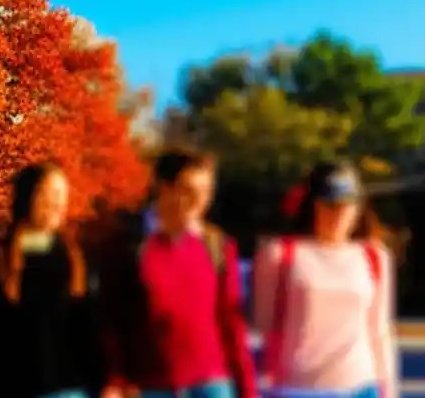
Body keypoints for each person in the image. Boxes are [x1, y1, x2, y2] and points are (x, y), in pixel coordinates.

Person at [99, 150, 256, 398]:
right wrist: (116, 379)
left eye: (206, 191)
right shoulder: (130, 246)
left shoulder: (218, 246)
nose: (199, 201)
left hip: (213, 384)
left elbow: (231, 322)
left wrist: (248, 390)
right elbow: (112, 321)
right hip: (152, 386)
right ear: (163, 188)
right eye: (189, 190)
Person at [254, 162, 398, 398]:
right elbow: (262, 327)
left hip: (360, 386)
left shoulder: (374, 257)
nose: (338, 213)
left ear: (358, 208)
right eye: (329, 205)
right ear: (313, 206)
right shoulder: (279, 255)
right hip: (294, 388)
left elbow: (379, 330)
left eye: (347, 204)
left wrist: (389, 390)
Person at [0, 162, 101, 398]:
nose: (57, 203)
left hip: (69, 389)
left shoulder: (73, 257)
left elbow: (88, 328)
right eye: (49, 193)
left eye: (62, 194)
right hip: (13, 388)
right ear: (27, 197)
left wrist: (99, 383)